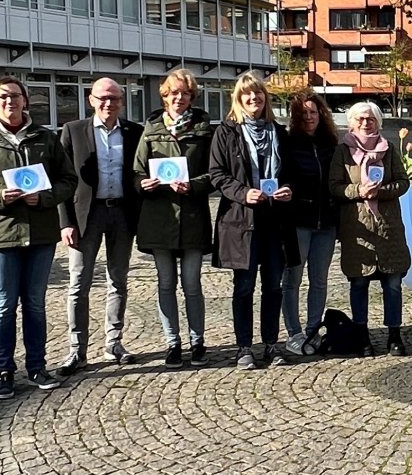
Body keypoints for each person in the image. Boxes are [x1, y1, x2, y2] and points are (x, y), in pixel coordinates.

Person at [0, 76, 78, 399]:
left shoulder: (45, 138)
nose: (11, 102)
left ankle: (37, 366)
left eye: (16, 96)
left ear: (25, 101)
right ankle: (4, 371)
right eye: (4, 97)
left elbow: (68, 180)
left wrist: (46, 196)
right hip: (0, 236)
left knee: (34, 304)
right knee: (3, 306)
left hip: (40, 234)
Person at [56, 78, 144, 376]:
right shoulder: (73, 130)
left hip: (122, 214)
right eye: (103, 98)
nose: (109, 104)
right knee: (79, 284)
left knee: (118, 280)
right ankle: (76, 349)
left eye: (115, 99)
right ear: (91, 100)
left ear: (122, 101)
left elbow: (139, 173)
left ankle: (114, 342)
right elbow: (61, 180)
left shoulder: (135, 132)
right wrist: (65, 222)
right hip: (86, 217)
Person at [210, 72, 294, 370]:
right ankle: (244, 347)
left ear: (265, 98)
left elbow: (291, 172)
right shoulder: (227, 132)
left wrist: (288, 190)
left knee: (273, 285)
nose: (253, 99)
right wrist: (244, 193)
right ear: (239, 98)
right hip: (241, 220)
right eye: (247, 94)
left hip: (275, 220)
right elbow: (217, 174)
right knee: (244, 286)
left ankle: (272, 344)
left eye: (258, 94)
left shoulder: (278, 132)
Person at [134, 68, 215, 369]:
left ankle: (197, 341)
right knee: (165, 284)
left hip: (192, 216)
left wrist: (194, 185)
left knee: (192, 283)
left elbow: (215, 173)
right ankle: (173, 343)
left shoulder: (204, 129)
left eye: (185, 93)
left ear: (192, 96)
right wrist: (142, 184)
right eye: (173, 92)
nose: (179, 98)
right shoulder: (151, 129)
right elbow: (137, 171)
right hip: (159, 217)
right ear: (164, 94)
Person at [329, 101, 411, 356]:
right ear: (352, 123)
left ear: (378, 122)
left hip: (388, 228)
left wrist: (381, 191)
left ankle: (394, 336)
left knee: (393, 284)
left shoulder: (389, 150)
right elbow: (334, 186)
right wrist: (357, 191)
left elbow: (403, 182)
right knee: (359, 284)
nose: (366, 123)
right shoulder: (342, 151)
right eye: (361, 119)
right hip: (358, 229)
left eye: (371, 119)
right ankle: (362, 335)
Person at [281, 90, 340, 355]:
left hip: (326, 222)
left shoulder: (330, 143)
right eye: (303, 113)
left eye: (313, 112)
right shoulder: (289, 143)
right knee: (292, 279)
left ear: (321, 115)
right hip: (299, 222)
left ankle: (313, 330)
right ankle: (293, 332)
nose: (308, 117)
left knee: (319, 280)